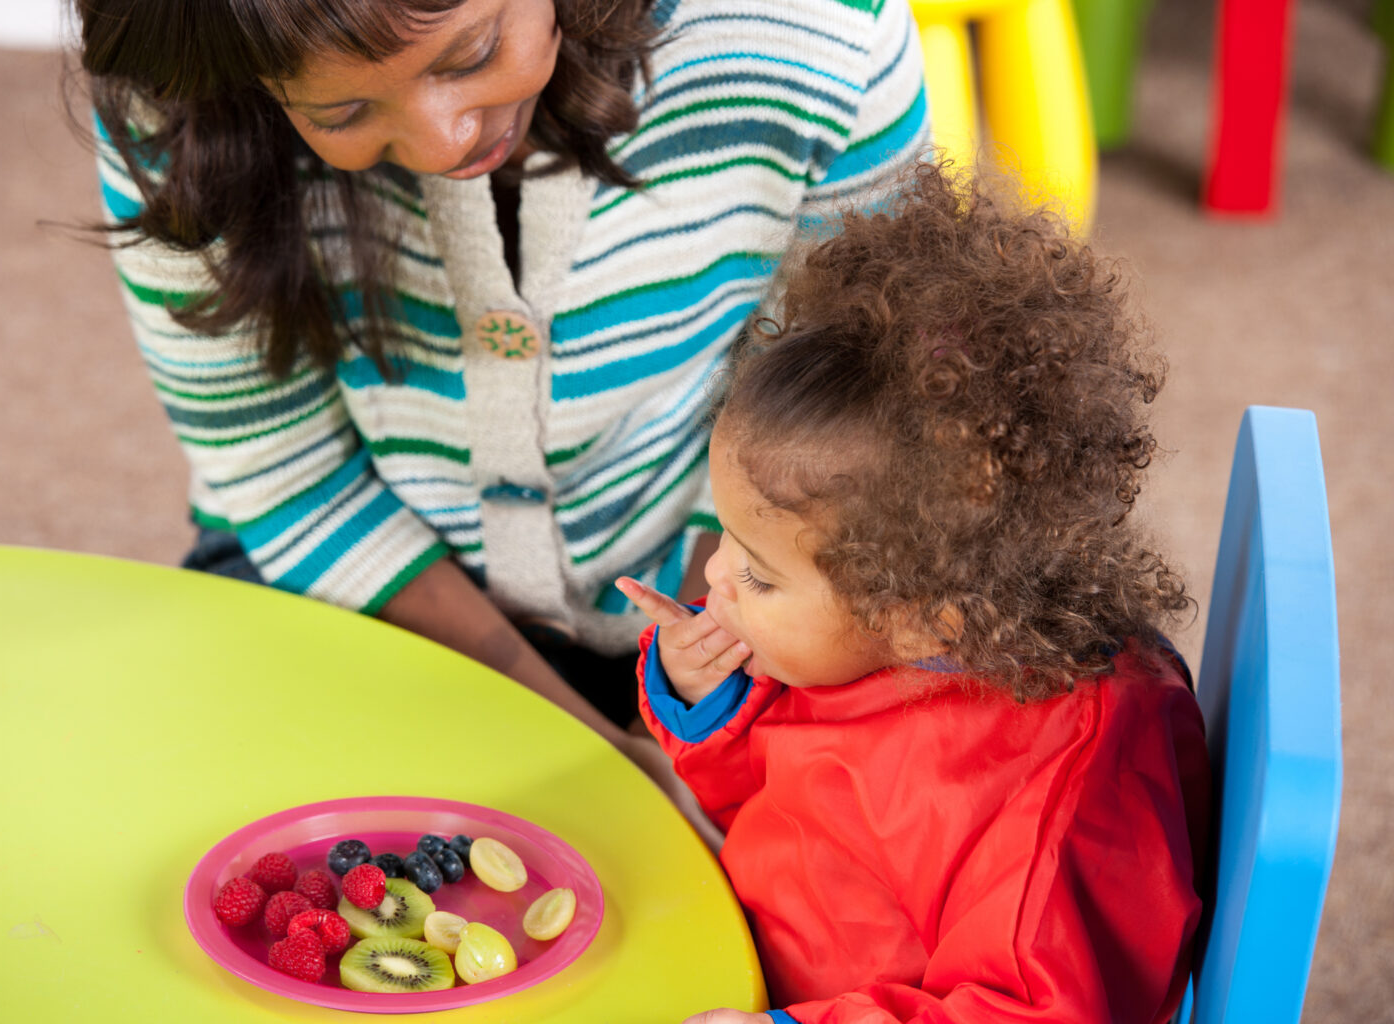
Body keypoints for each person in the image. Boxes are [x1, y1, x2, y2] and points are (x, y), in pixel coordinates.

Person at [73, 0, 930, 749]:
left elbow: (846, 417)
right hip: (337, 580)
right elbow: (282, 472)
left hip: (716, 587)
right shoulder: (184, 88)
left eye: (473, 53)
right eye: (342, 110)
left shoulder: (826, 33)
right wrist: (592, 751)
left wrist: (691, 680)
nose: (443, 140)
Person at [617, 162, 1211, 1024]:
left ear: (925, 615)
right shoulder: (871, 625)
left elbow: (1028, 1012)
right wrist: (711, 695)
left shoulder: (1062, 786)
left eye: (759, 572)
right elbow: (776, 797)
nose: (714, 576)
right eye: (727, 540)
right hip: (747, 944)